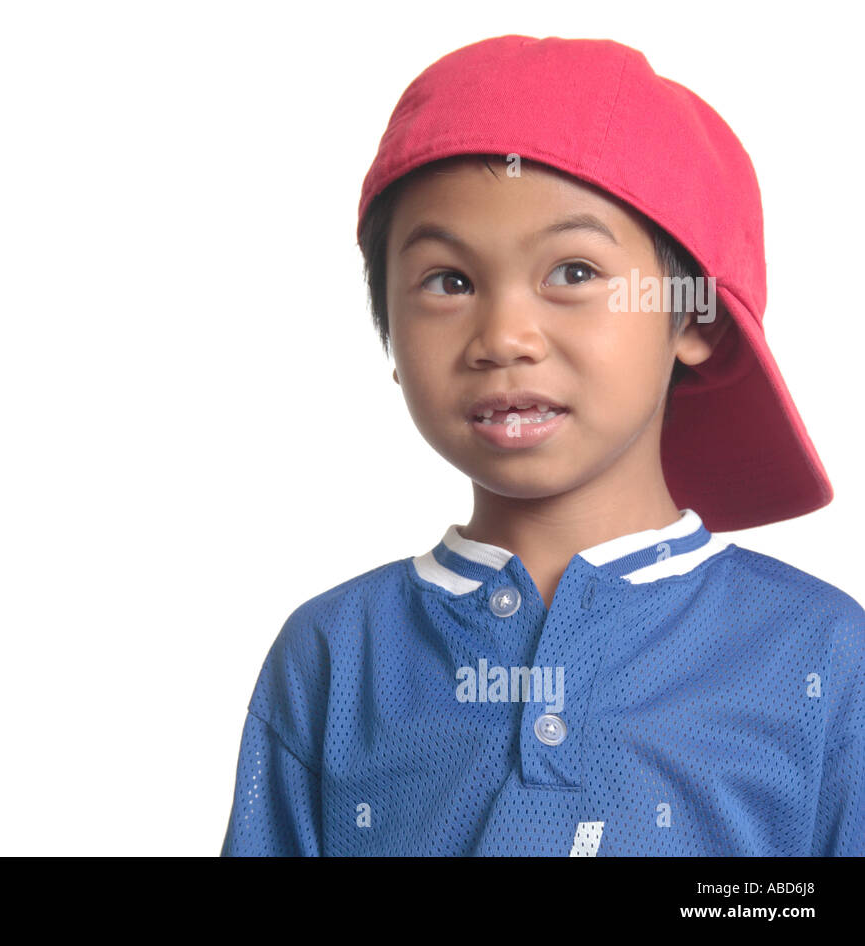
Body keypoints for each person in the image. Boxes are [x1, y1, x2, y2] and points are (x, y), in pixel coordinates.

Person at [219, 35, 862, 856]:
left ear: (693, 315)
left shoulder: (822, 656)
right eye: (449, 282)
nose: (505, 336)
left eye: (574, 273)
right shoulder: (335, 658)